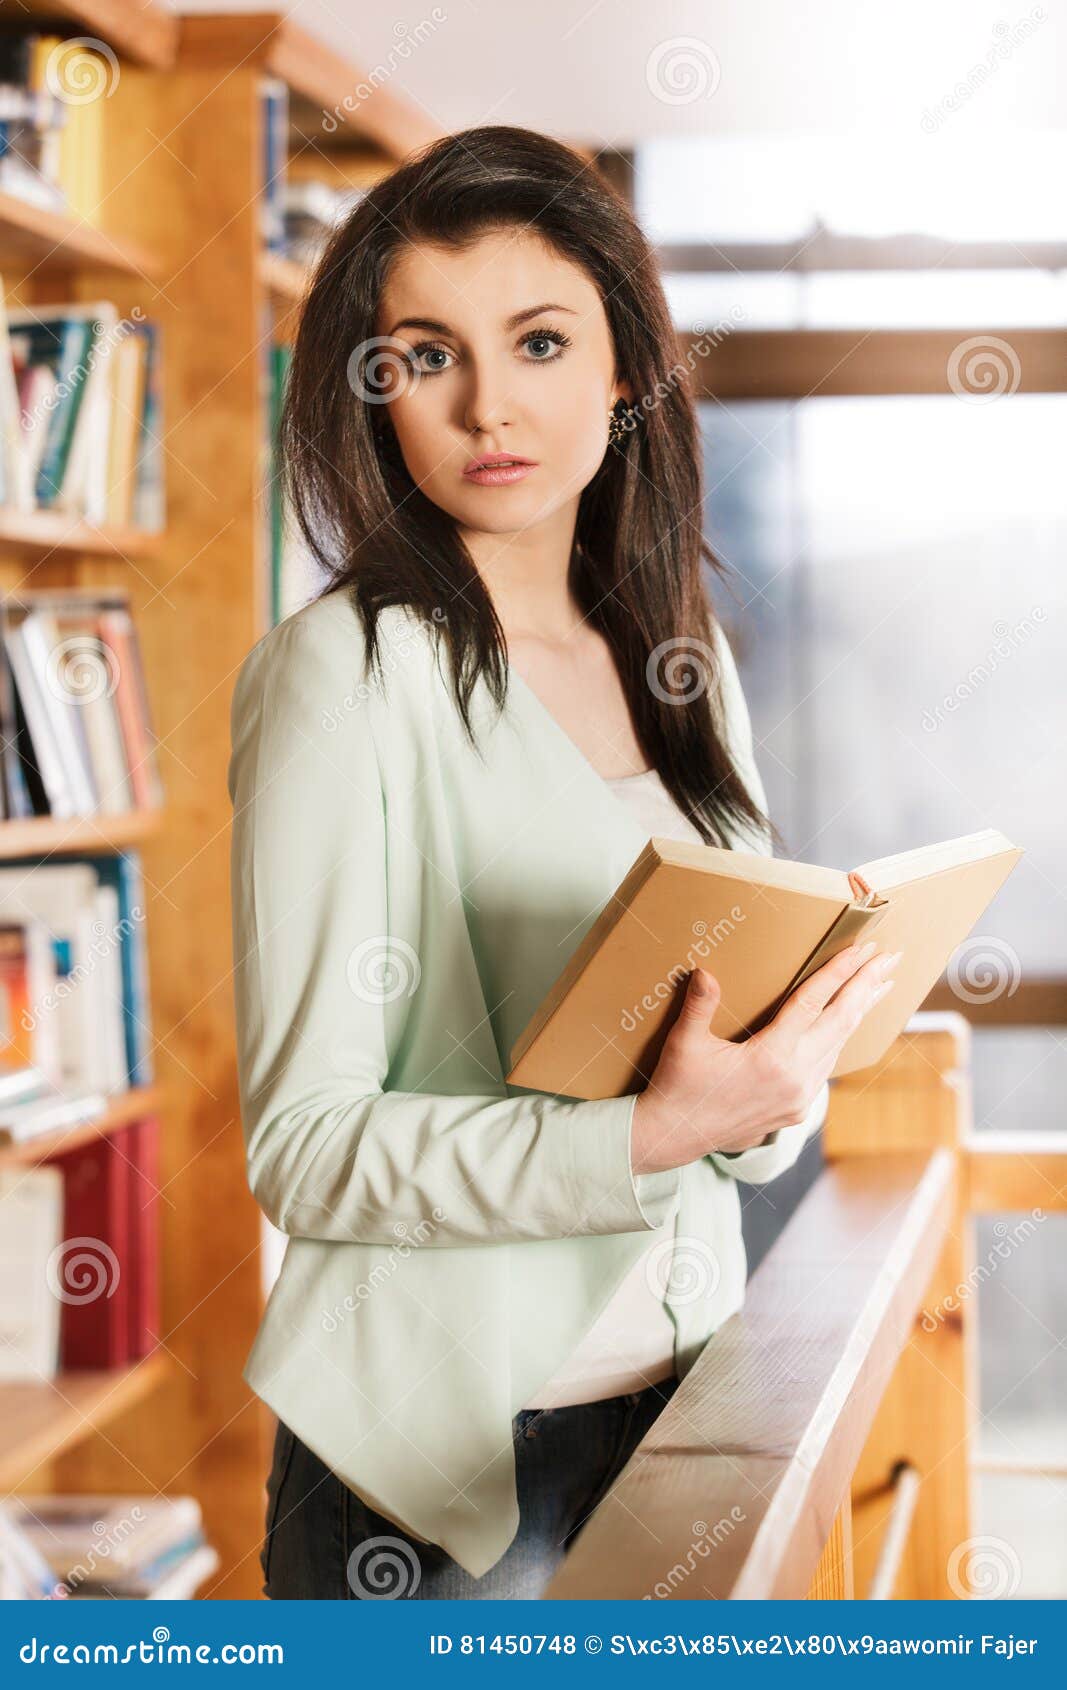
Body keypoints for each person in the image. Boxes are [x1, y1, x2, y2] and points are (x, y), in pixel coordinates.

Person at [227, 124, 897, 1600]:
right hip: (448, 1479)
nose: (488, 405)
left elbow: (733, 1098)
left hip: (695, 1411)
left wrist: (776, 1078)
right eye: (424, 354)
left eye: (539, 339)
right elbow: (306, 1147)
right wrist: (641, 1136)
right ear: (371, 391)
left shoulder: (681, 655)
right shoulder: (342, 676)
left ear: (622, 369)